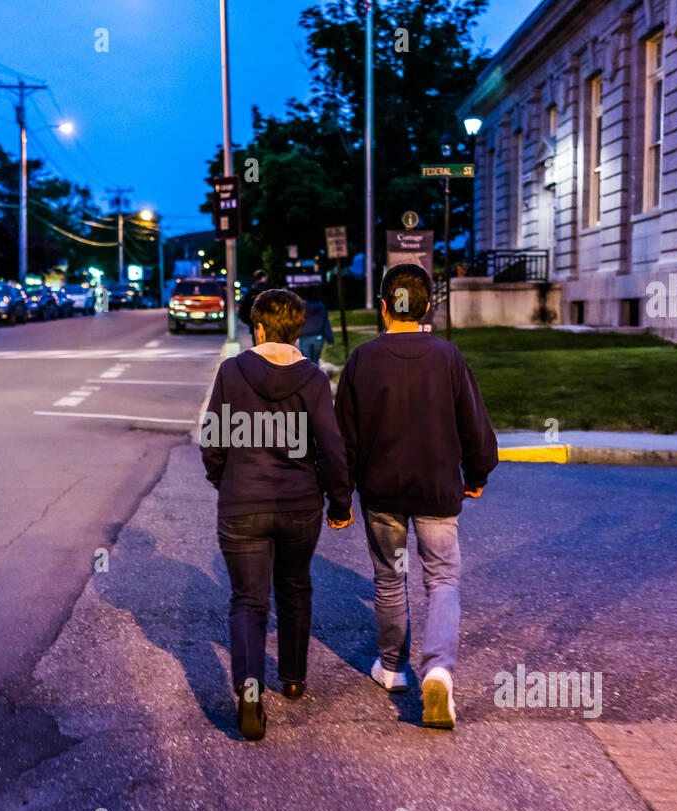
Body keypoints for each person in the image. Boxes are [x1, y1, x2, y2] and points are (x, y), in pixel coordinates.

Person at [334, 264, 497, 730]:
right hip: (438, 487)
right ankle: (439, 668)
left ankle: (391, 668)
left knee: (389, 578)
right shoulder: (448, 357)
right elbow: (475, 426)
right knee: (442, 578)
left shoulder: (362, 360)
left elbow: (344, 438)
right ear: (428, 308)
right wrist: (477, 472)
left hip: (381, 490)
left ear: (384, 307)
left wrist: (340, 500)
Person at [201, 288, 354, 741]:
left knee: (248, 601)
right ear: (298, 329)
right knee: (294, 587)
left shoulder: (231, 372)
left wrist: (222, 480)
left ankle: (249, 690)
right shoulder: (312, 377)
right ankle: (292, 678)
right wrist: (340, 502)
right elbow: (330, 446)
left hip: (242, 503)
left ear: (261, 328)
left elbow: (213, 440)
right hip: (299, 505)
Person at [296, 285, 334, 366]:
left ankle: (308, 378)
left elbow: (298, 322)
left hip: (304, 337)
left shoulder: (302, 306)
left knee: (306, 363)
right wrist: (330, 339)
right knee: (315, 362)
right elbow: (326, 324)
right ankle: (315, 377)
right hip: (318, 338)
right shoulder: (321, 306)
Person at [238, 270, 269, 335]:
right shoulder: (269, 291)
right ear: (263, 278)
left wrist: (251, 323)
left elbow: (243, 311)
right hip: (269, 325)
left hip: (255, 325)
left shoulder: (251, 293)